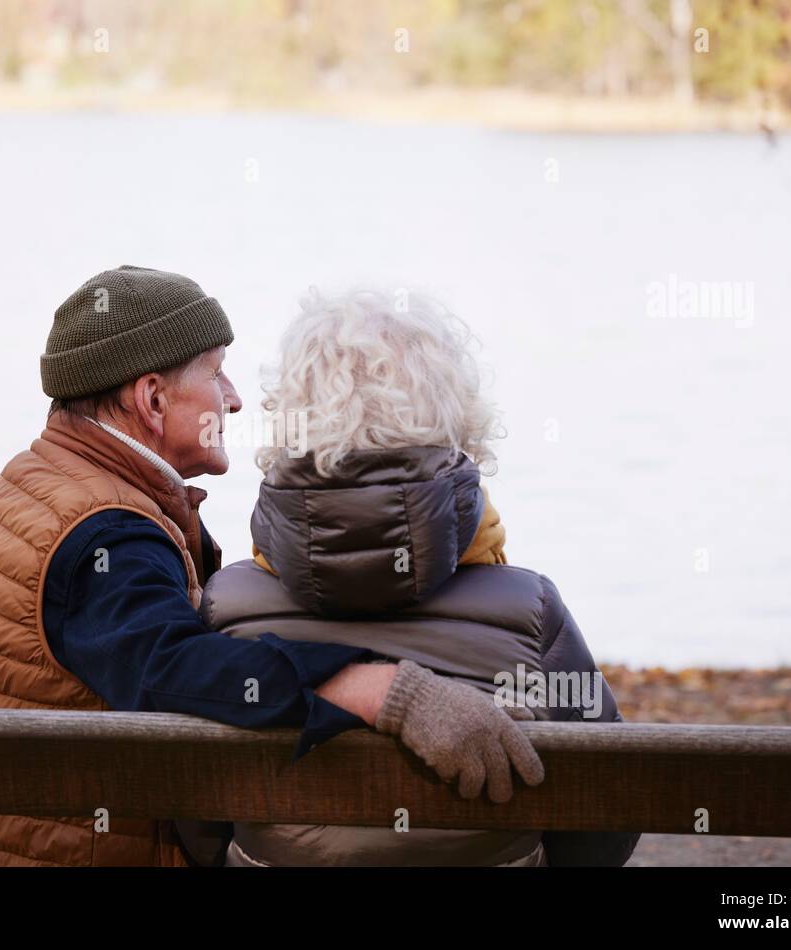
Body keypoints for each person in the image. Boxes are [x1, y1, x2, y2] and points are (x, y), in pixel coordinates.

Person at [0, 266, 544, 866]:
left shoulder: (49, 485)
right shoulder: (103, 535)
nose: (234, 400)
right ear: (151, 399)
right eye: (216, 373)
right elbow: (170, 670)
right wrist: (381, 690)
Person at [201, 286, 641, 866]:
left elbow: (197, 820)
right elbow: (606, 816)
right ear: (455, 416)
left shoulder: (227, 606)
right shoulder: (530, 610)